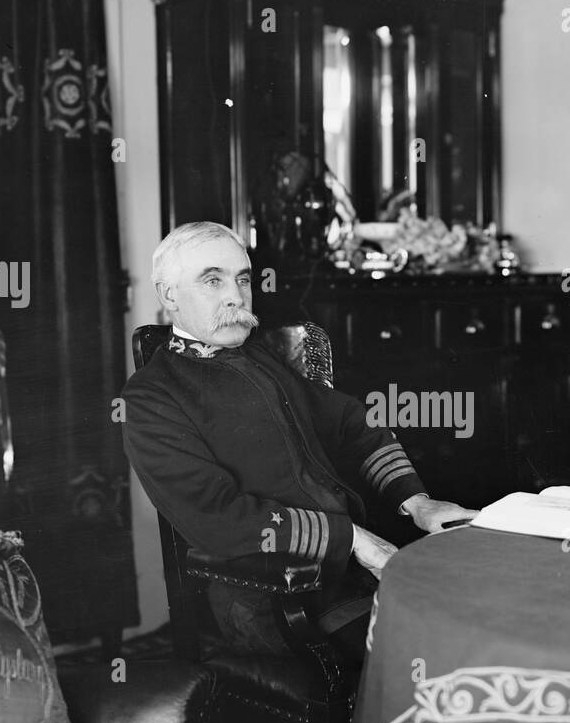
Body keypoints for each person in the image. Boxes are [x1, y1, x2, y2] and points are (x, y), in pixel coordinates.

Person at [123, 221, 476, 661]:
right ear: (169, 295)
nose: (236, 295)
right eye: (213, 280)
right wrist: (353, 540)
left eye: (243, 279)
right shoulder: (152, 397)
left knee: (482, 619)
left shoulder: (260, 358)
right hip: (270, 596)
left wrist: (417, 502)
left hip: (357, 569)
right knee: (439, 653)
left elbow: (352, 424)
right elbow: (219, 517)